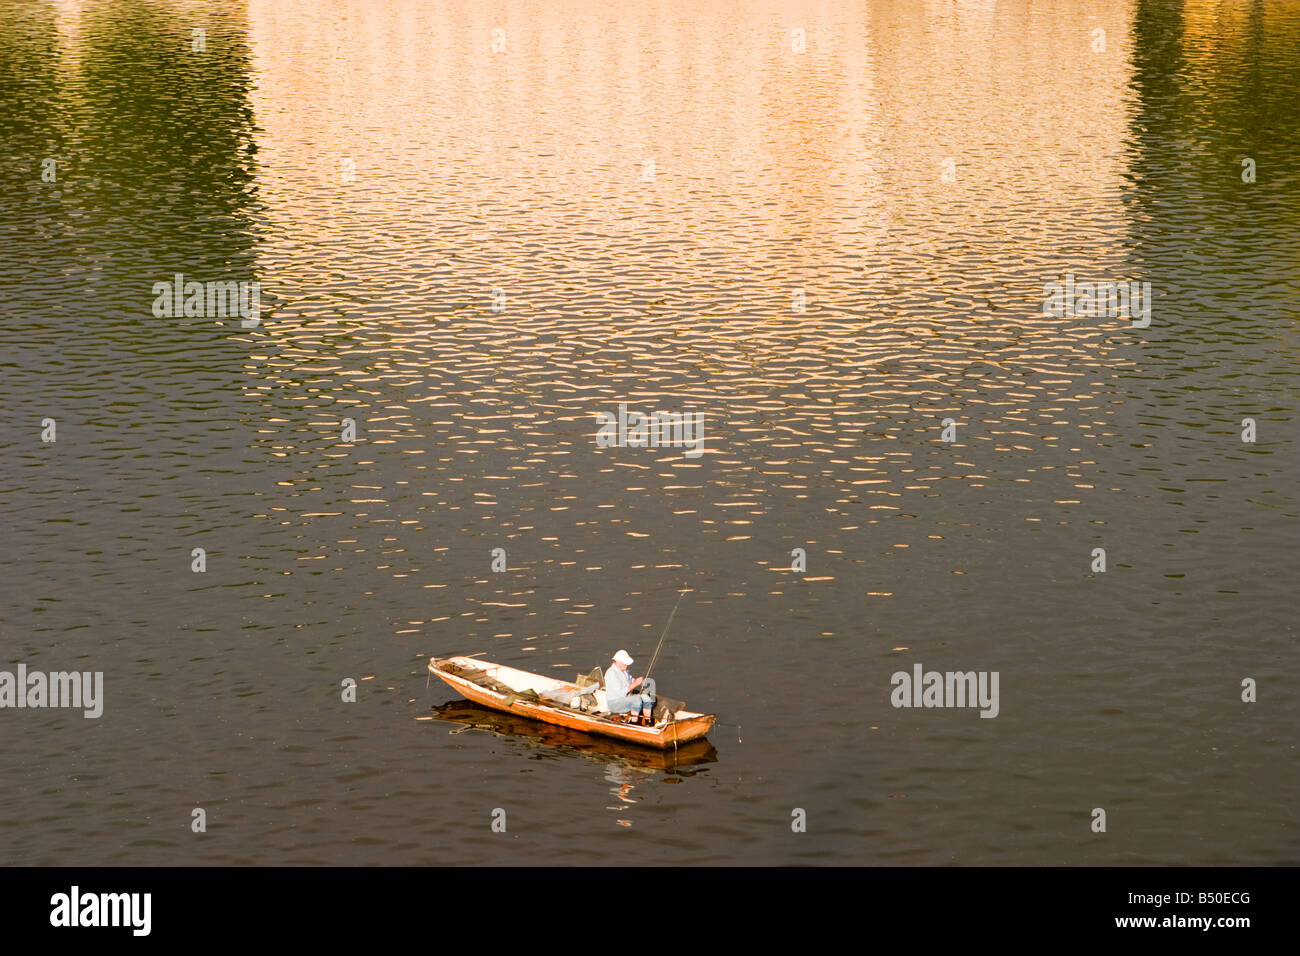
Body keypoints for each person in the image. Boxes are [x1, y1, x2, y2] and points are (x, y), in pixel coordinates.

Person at [605, 650, 656, 724]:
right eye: (625, 663)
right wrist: (635, 684)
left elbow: (631, 680)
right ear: (618, 662)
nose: (627, 665)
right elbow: (621, 693)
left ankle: (648, 722)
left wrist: (638, 681)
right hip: (615, 703)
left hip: (626, 699)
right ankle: (633, 723)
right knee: (636, 700)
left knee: (646, 698)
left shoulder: (624, 671)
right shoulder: (611, 674)